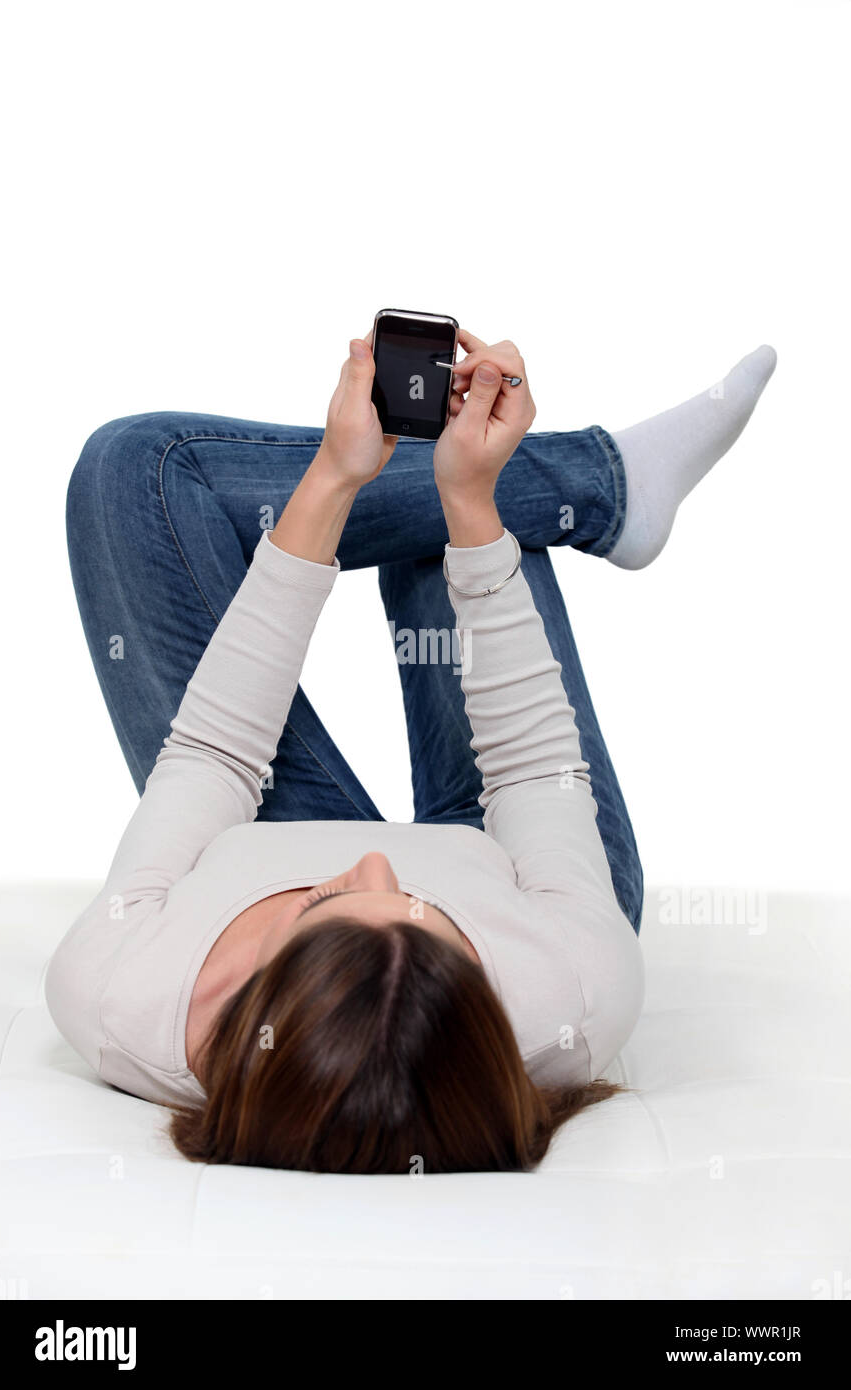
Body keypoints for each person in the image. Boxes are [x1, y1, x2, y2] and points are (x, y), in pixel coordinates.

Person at [45, 327, 777, 1173]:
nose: (378, 864)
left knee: (132, 473)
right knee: (454, 547)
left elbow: (214, 755)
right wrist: (468, 499)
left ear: (253, 1005)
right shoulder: (566, 988)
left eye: (321, 908)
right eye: (432, 924)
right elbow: (534, 768)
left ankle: (593, 482)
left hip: (251, 832)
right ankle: (595, 486)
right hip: (527, 862)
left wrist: (334, 477)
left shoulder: (120, 989)